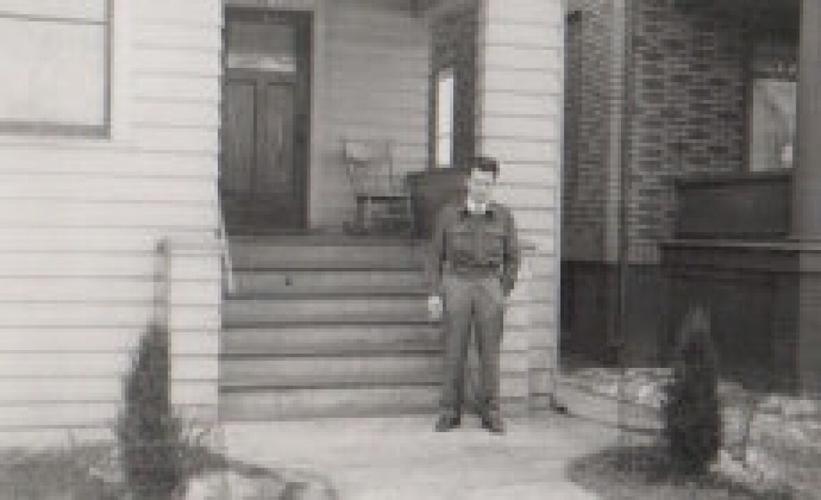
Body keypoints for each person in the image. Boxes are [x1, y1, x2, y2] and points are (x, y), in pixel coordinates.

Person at [427, 156, 520, 434]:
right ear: (468, 182)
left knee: (489, 354)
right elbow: (434, 256)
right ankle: (449, 412)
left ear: (494, 185)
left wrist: (503, 289)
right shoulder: (448, 215)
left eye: (487, 183)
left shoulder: (503, 217)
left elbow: (513, 258)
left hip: (489, 284)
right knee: (454, 351)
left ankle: (491, 413)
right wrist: (434, 293)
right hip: (456, 281)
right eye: (478, 182)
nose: (482, 188)